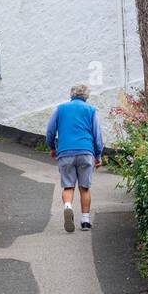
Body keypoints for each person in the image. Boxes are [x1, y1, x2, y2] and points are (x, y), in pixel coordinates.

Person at [46, 84, 104, 233]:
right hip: (86, 151)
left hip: (65, 152)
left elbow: (50, 131)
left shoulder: (61, 109)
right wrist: (98, 155)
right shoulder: (91, 110)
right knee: (84, 188)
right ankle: (85, 221)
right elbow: (97, 135)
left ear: (71, 95)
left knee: (68, 186)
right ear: (87, 96)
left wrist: (53, 148)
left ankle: (68, 207)